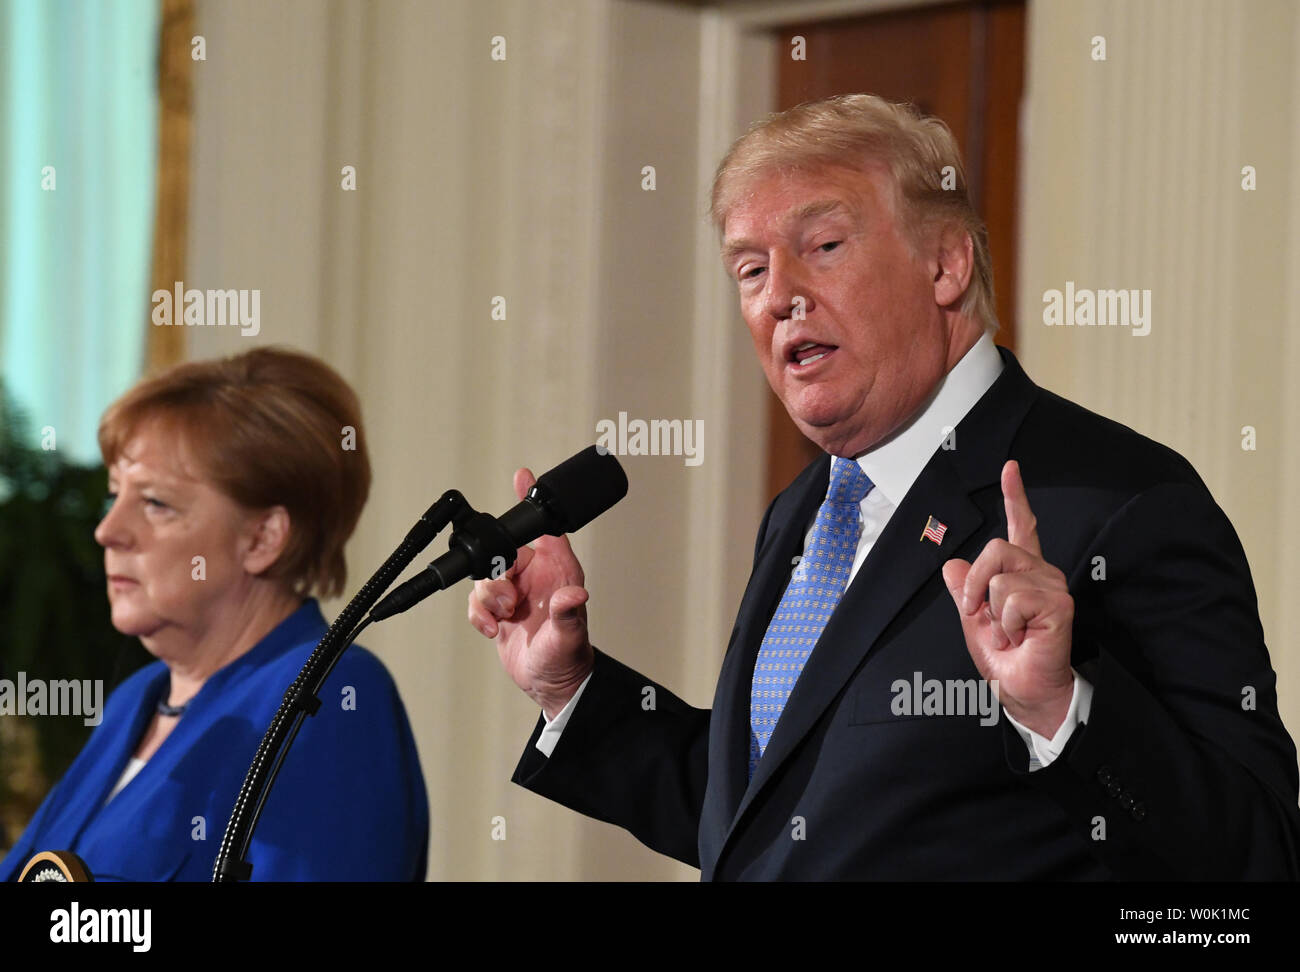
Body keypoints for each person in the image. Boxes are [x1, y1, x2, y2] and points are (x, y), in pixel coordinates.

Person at [468, 94, 1300, 879]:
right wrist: (570, 688)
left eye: (823, 247)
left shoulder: (1119, 500)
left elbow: (1258, 855)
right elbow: (784, 825)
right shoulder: (805, 512)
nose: (781, 297)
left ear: (945, 263)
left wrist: (1061, 711)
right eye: (751, 270)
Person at [1, 347, 428, 881]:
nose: (107, 531)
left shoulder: (330, 696)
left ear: (262, 538)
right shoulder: (137, 699)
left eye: (156, 503)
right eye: (116, 495)